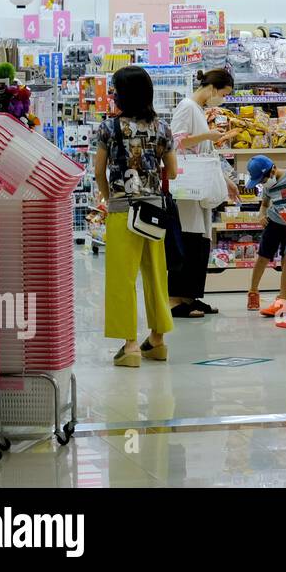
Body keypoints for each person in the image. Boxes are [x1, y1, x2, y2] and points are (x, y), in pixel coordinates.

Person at [92, 65, 178, 367]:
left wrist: (107, 195)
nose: (112, 94)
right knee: (156, 275)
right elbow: (174, 171)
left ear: (124, 95)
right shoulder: (162, 128)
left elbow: (98, 170)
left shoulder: (107, 128)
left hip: (121, 210)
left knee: (122, 278)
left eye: (115, 89)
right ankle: (158, 340)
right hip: (153, 210)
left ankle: (130, 345)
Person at [168, 68, 241, 318]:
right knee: (188, 242)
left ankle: (190, 297)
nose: (223, 99)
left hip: (200, 184)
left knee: (199, 243)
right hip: (187, 186)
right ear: (212, 89)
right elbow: (175, 142)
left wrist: (225, 179)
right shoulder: (187, 107)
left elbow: (206, 152)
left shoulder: (197, 109)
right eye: (224, 94)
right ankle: (175, 301)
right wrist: (208, 135)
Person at [245, 155, 286, 317]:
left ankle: (284, 297)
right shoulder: (268, 187)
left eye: (262, 180)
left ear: (273, 169)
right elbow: (264, 205)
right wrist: (261, 215)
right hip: (274, 222)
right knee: (262, 257)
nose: (263, 184)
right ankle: (253, 291)